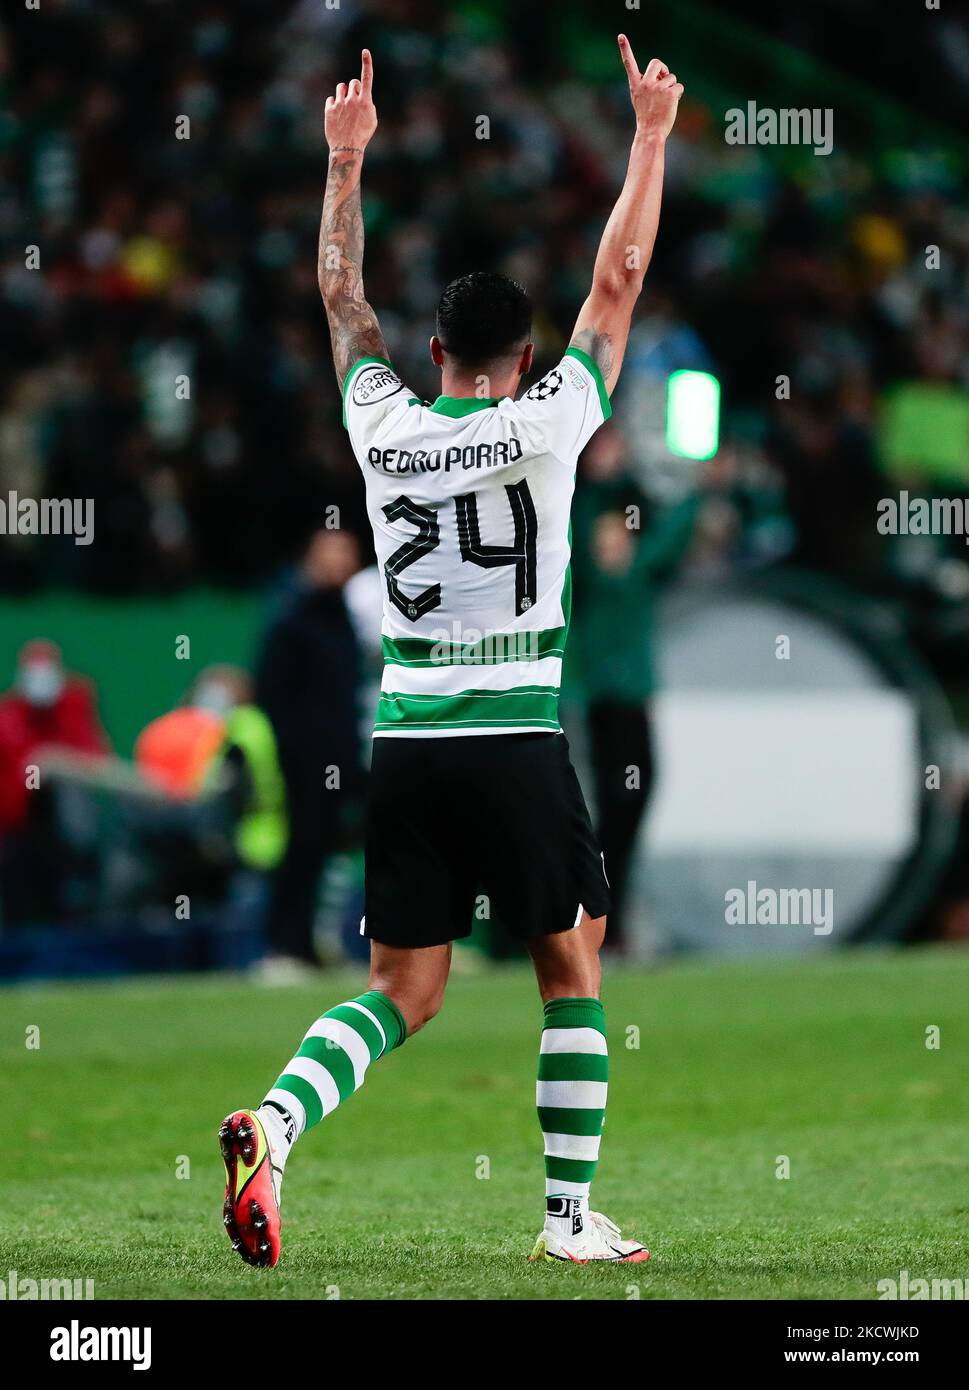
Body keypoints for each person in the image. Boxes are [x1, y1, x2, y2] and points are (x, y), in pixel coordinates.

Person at [219, 37, 682, 1268]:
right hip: (520, 739)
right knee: (571, 964)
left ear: (436, 357)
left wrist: (344, 161)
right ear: (521, 359)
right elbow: (621, 280)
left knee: (405, 989)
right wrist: (645, 138)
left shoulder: (381, 423)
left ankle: (274, 1119)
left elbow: (339, 298)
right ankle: (568, 1219)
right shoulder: (551, 422)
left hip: (409, 748)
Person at [254, 529, 364, 973]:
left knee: (329, 852)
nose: (338, 563)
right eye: (329, 554)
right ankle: (283, 948)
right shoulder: (291, 618)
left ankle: (316, 943)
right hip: (305, 762)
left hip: (343, 757)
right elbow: (272, 694)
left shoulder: (346, 620)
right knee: (301, 849)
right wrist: (296, 753)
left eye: (345, 554)